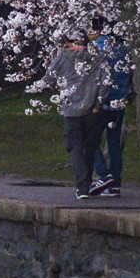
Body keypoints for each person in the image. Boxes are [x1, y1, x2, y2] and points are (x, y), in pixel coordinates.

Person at [46, 27, 108, 200]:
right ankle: (86, 184)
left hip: (70, 110)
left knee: (75, 148)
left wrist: (58, 84)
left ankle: (82, 187)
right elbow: (105, 82)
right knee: (90, 147)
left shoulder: (63, 57)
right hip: (91, 109)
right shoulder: (96, 57)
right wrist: (97, 105)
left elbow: (49, 76)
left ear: (66, 42)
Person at [92, 22, 133, 197]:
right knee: (114, 144)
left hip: (101, 104)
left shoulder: (96, 49)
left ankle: (104, 175)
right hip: (119, 103)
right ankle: (115, 184)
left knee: (90, 141)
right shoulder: (123, 49)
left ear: (99, 30)